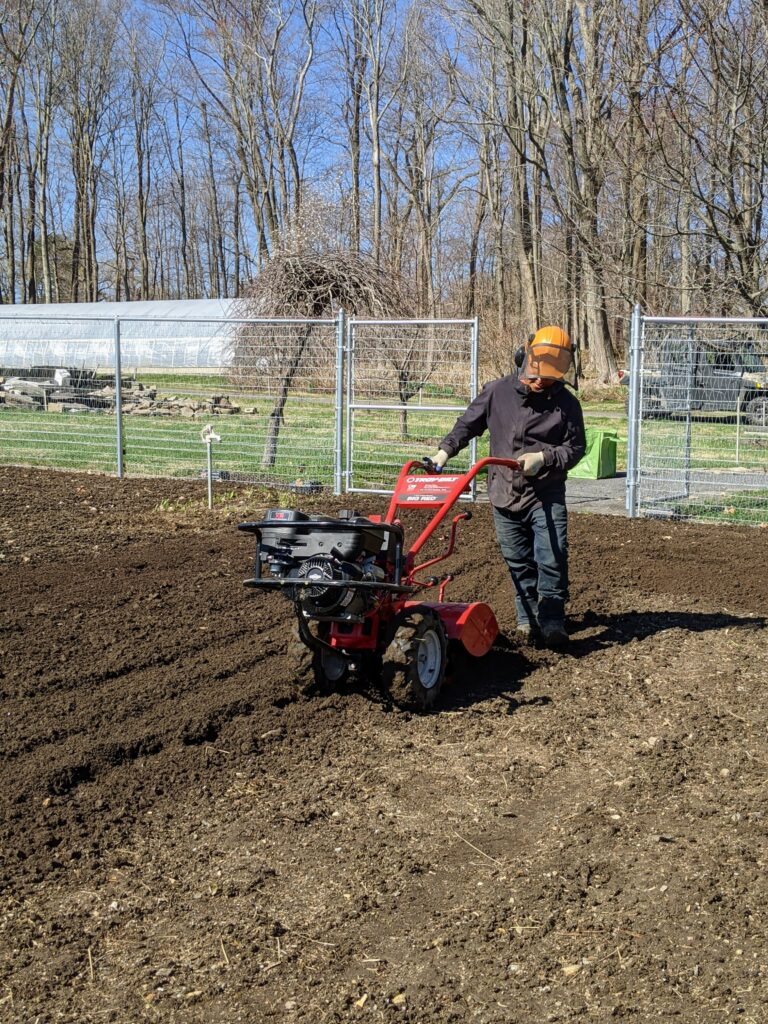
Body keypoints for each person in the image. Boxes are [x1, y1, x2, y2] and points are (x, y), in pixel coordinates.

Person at [430, 325, 586, 647]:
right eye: (536, 376)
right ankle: (527, 619)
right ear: (524, 358)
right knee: (518, 560)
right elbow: (468, 424)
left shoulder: (567, 405)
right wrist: (443, 452)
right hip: (503, 492)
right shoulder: (497, 391)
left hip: (545, 493)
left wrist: (544, 457)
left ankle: (553, 620)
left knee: (552, 556)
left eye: (549, 380)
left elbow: (575, 448)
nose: (540, 383)